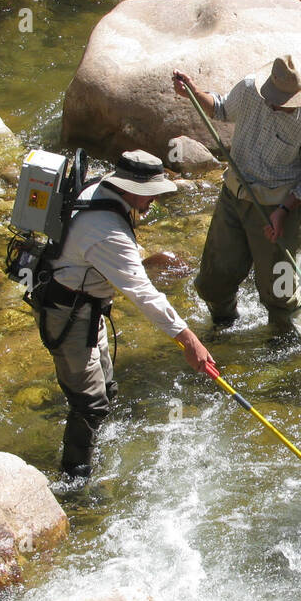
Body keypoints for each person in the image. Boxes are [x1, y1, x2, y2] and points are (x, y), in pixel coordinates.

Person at [35, 150, 213, 479]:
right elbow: (143, 294)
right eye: (152, 193)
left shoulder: (96, 190)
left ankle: (94, 451)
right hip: (68, 315)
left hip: (84, 310)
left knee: (106, 388)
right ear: (132, 190)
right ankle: (75, 483)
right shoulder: (107, 231)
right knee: (88, 403)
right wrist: (189, 341)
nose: (155, 199)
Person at [172, 55, 301, 331]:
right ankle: (224, 326)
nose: (277, 105)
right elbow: (220, 109)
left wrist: (282, 212)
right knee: (213, 281)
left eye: (285, 102)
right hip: (233, 196)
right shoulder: (249, 90)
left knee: (280, 294)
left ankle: (281, 348)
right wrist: (194, 93)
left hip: (278, 210)